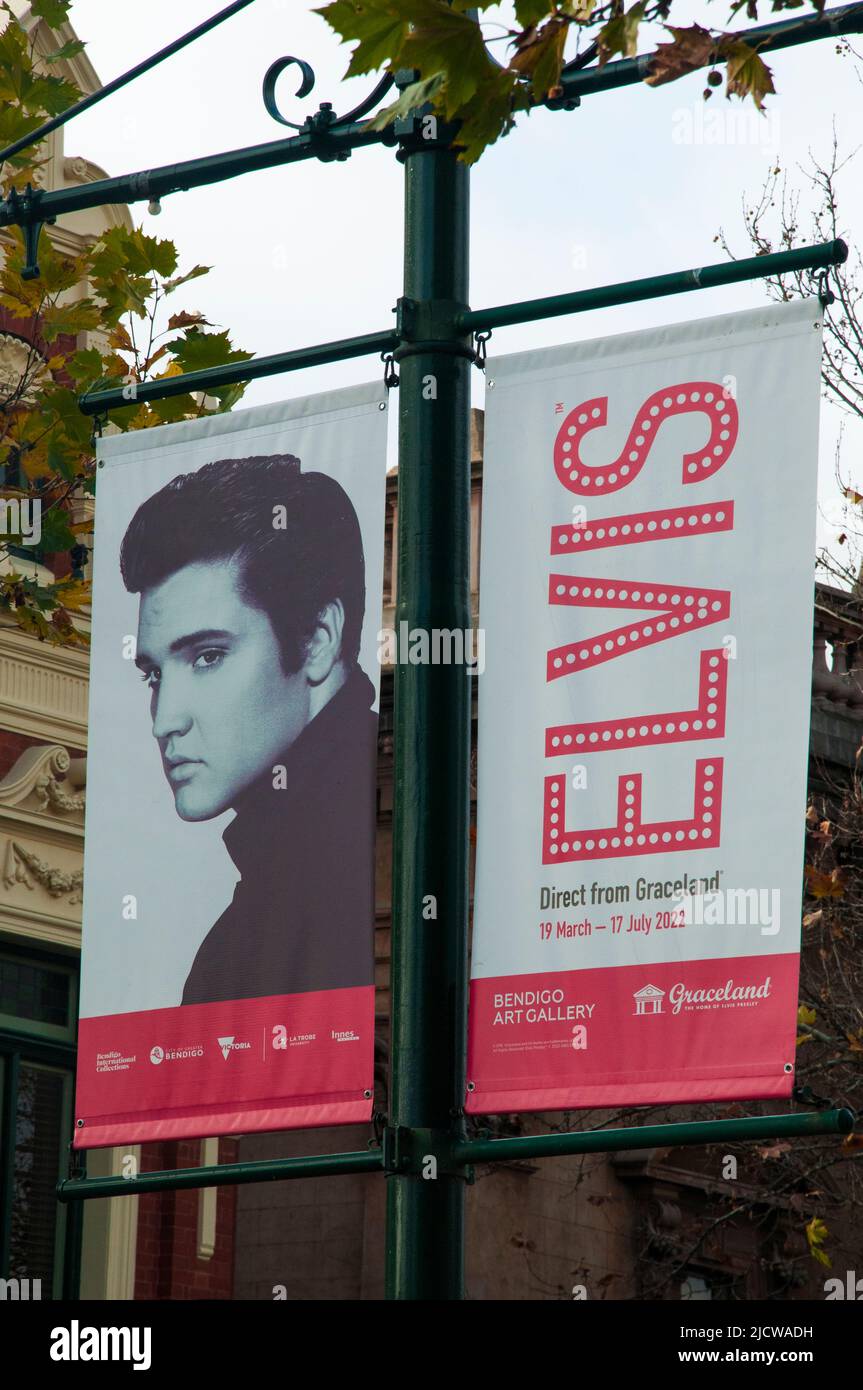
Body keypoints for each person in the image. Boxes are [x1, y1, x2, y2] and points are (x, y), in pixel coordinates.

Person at [119, 452, 377, 1006]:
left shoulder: (383, 847)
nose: (166, 720)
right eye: (154, 675)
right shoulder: (260, 903)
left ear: (317, 640)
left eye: (208, 656)